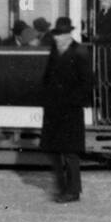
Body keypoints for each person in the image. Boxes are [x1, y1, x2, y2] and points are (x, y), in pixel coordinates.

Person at [41, 17, 92, 202]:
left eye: (62, 35)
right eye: (57, 35)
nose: (59, 39)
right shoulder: (57, 51)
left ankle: (73, 191)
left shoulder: (79, 51)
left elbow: (87, 83)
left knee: (70, 152)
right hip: (56, 109)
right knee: (58, 150)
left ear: (69, 34)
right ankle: (65, 188)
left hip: (70, 110)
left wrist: (73, 100)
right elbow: (47, 77)